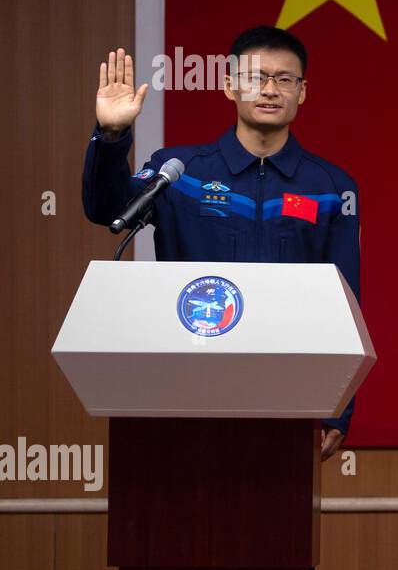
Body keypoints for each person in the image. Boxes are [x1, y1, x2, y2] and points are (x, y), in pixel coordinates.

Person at [82, 25, 361, 455]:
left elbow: (347, 301)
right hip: (181, 387)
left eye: (284, 79)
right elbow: (106, 210)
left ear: (302, 92)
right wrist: (112, 138)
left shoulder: (331, 188)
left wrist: (336, 409)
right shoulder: (178, 170)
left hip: (288, 394)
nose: (269, 90)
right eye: (255, 78)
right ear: (230, 85)